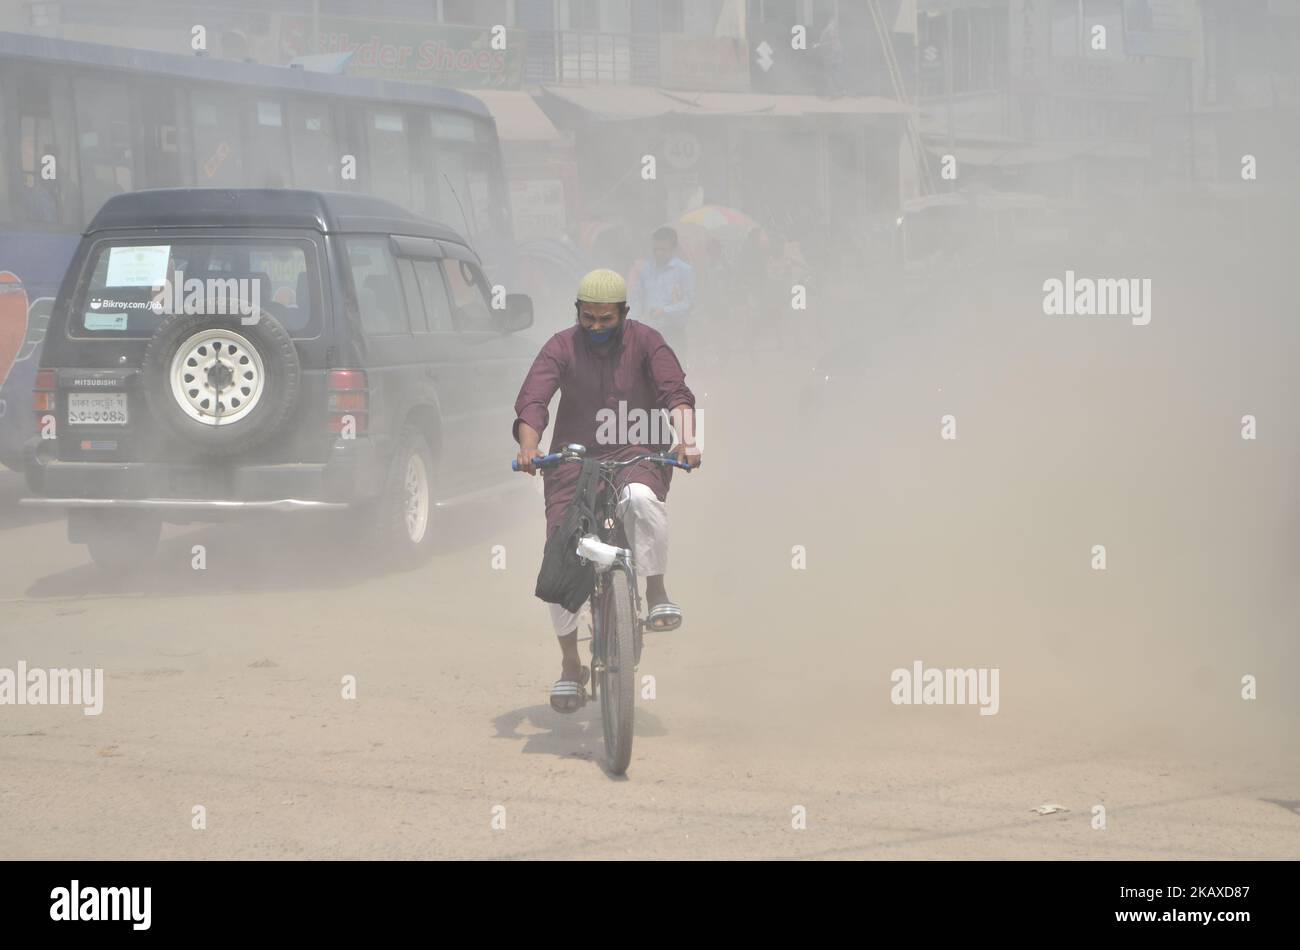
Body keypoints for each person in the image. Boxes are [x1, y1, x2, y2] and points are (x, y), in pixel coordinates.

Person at [513, 268, 702, 713]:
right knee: (564, 553)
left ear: (623, 314)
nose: (596, 328)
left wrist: (688, 440)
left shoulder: (647, 341)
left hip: (636, 450)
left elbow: (676, 393)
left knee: (640, 500)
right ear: (577, 313)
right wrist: (529, 446)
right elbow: (533, 400)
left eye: (606, 320)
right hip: (572, 461)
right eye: (588, 319)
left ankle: (655, 589)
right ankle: (569, 667)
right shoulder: (560, 346)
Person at [630, 226, 695, 365]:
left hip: (673, 332)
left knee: (673, 376)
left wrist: (664, 311)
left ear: (673, 249)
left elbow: (688, 303)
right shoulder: (646, 269)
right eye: (655, 249)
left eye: (663, 250)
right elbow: (638, 299)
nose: (658, 253)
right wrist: (631, 322)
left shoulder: (684, 270)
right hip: (649, 331)